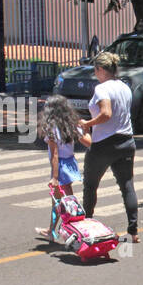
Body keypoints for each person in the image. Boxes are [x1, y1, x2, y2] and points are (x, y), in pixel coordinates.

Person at [78, 51, 139, 243]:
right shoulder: (125, 87)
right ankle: (133, 231)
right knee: (127, 186)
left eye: (96, 70)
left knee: (90, 185)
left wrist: (88, 124)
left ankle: (87, 225)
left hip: (105, 144)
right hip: (127, 141)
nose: (95, 74)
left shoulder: (102, 89)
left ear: (101, 69)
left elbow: (106, 113)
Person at [35, 95, 84, 242]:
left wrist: (55, 177)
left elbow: (55, 155)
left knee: (67, 204)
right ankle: (51, 230)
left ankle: (77, 232)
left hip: (61, 166)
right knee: (60, 201)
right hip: (70, 162)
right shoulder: (71, 124)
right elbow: (85, 139)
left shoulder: (51, 128)